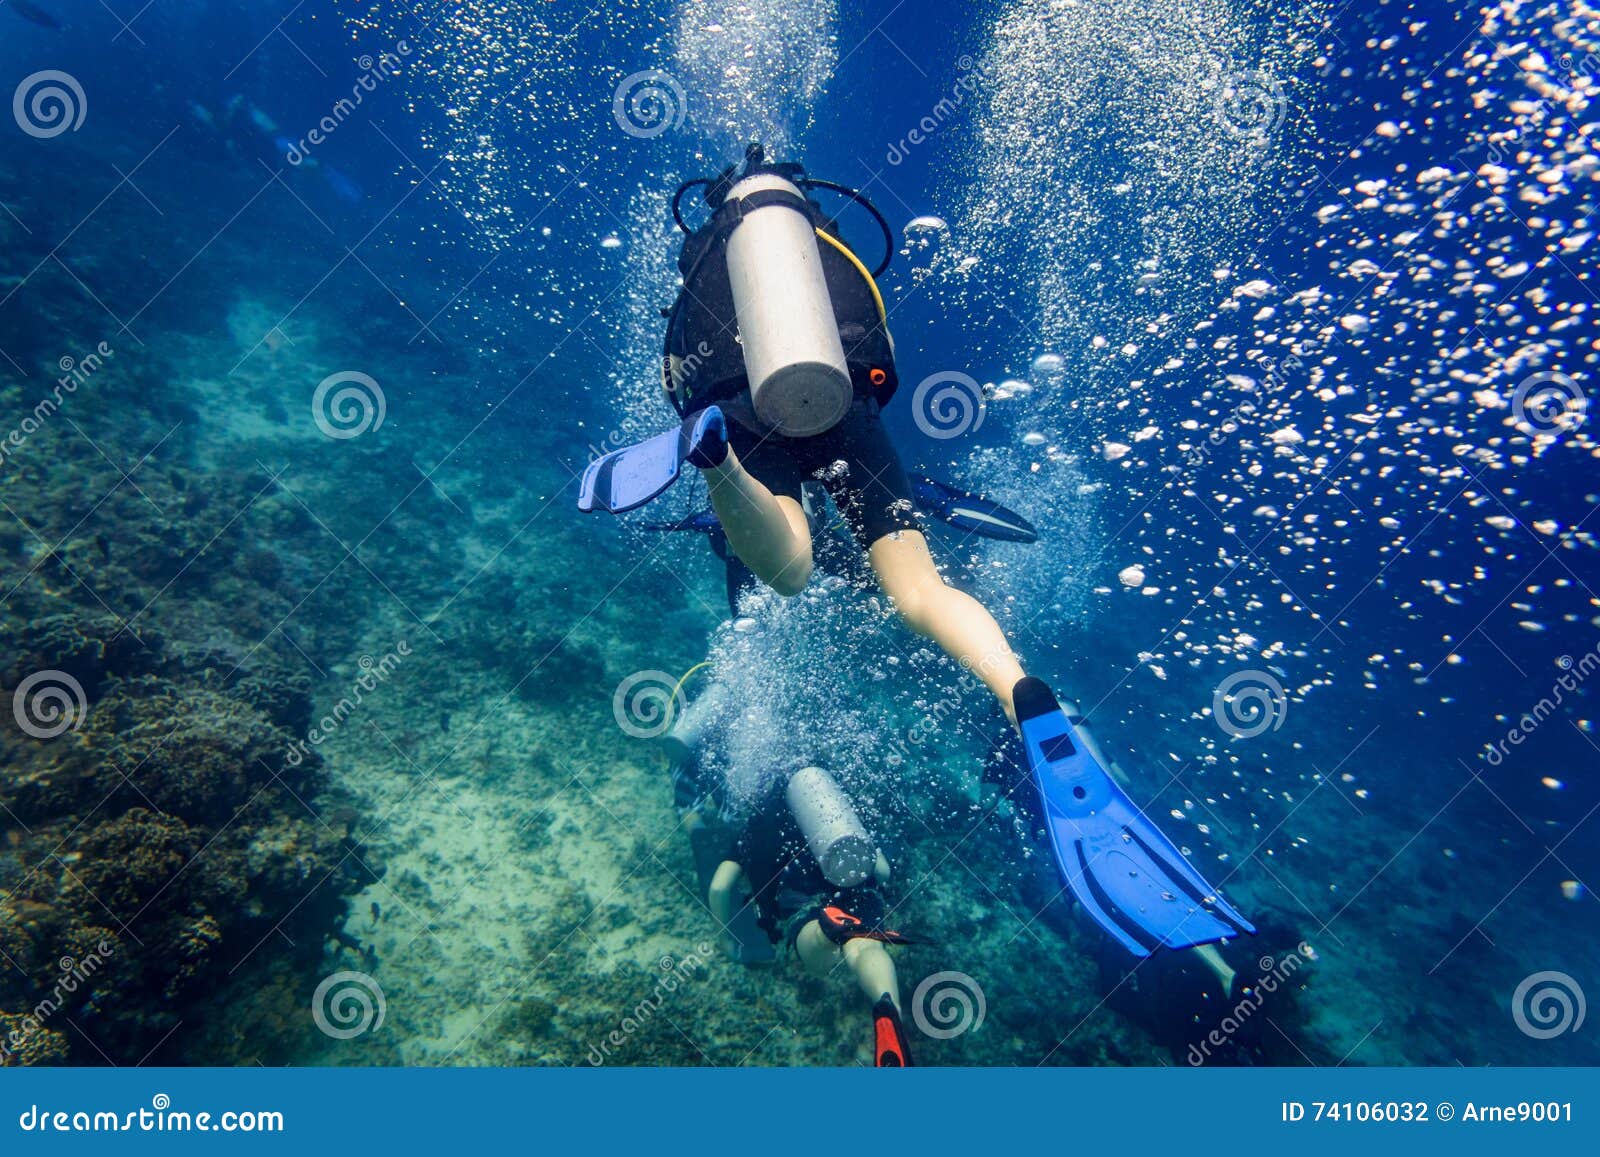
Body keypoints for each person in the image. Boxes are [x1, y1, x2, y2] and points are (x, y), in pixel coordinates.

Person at [582, 143, 1254, 962]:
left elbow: (674, 368)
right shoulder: (820, 243)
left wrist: (710, 418)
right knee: (920, 591)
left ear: (715, 205)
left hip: (740, 404)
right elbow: (875, 332)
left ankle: (715, 459)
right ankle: (1022, 692)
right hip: (843, 403)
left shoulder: (708, 255)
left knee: (790, 567)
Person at [661, 687, 917, 1067]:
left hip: (796, 893)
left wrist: (730, 940)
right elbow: (882, 868)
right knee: (866, 945)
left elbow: (719, 885)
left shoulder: (752, 827)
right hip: (849, 871)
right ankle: (888, 1006)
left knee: (819, 955)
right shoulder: (828, 803)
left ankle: (827, 927)